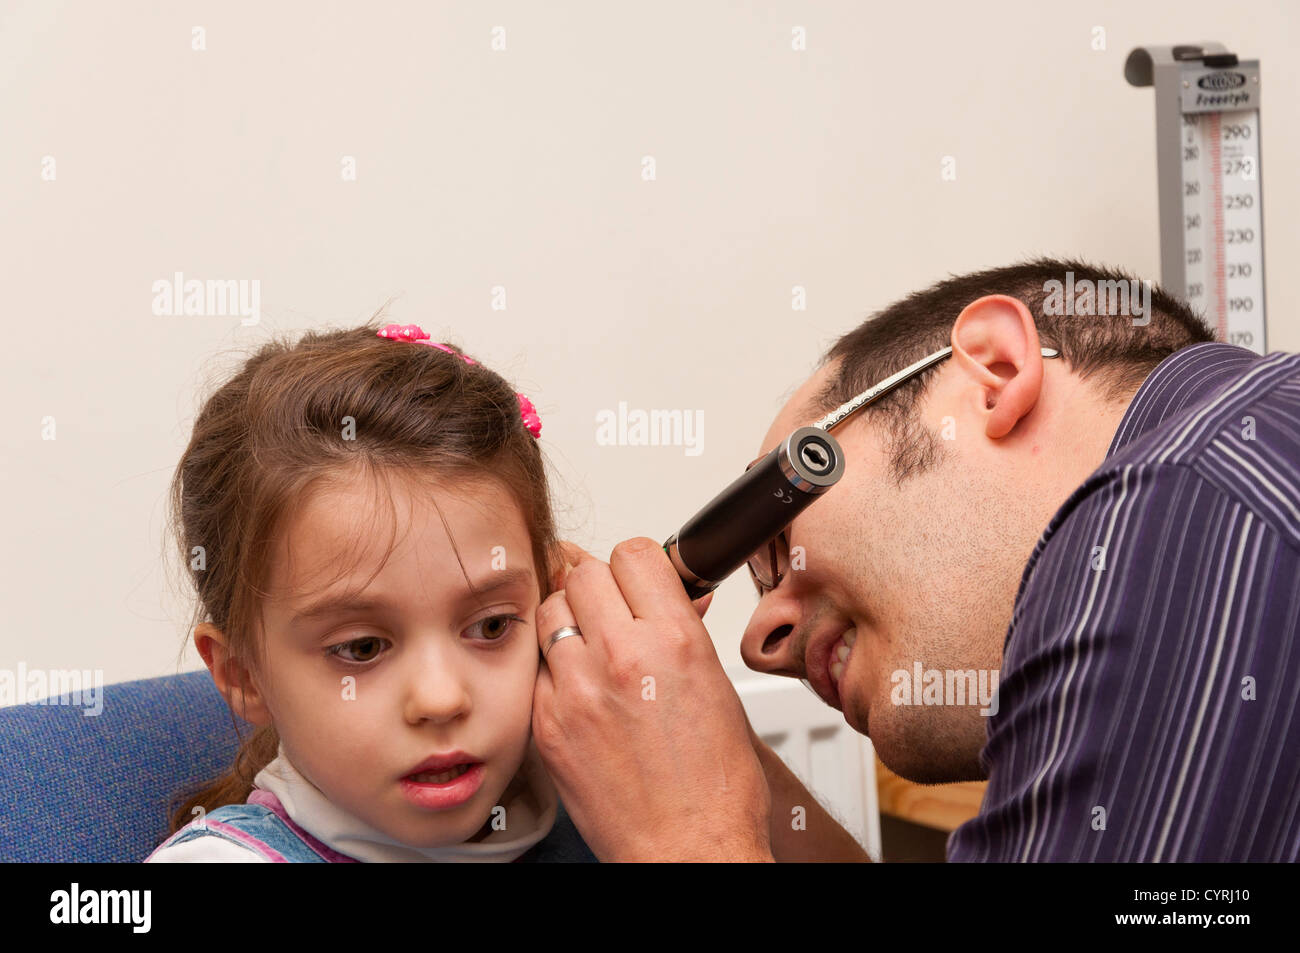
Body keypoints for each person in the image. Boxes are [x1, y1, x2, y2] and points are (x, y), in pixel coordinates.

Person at [533, 257, 1300, 862]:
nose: (758, 642)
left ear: (994, 370)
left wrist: (683, 841)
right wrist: (714, 766)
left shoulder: (1182, 504)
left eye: (773, 533)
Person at [147, 320, 595, 862]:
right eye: (361, 647)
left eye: (492, 625)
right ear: (244, 675)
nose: (441, 699)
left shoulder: (605, 798)